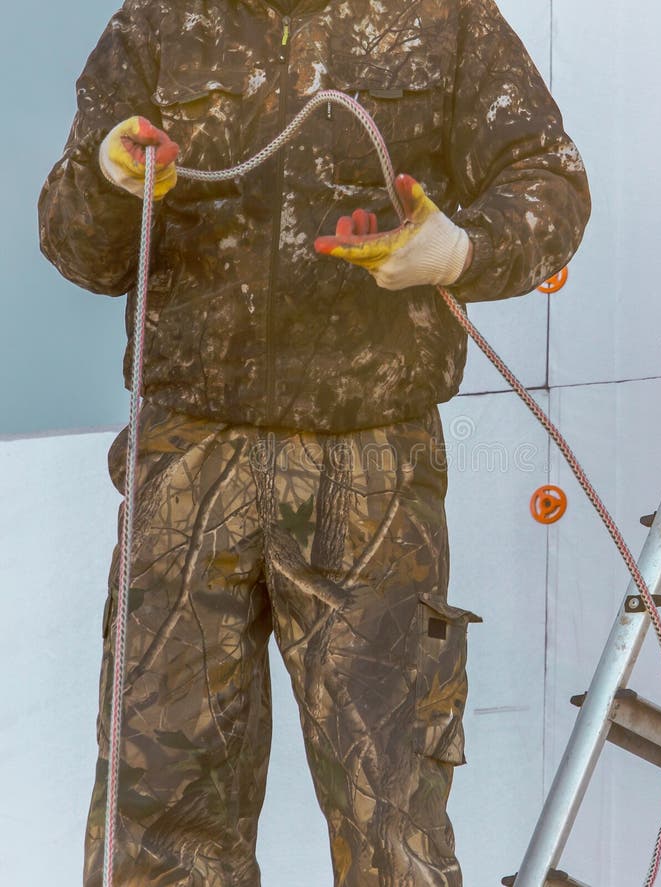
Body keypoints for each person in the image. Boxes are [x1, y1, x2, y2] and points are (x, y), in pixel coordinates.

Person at [39, 0, 590, 884]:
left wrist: (459, 250)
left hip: (370, 464)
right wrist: (105, 179)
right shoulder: (157, 24)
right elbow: (77, 247)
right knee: (159, 822)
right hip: (189, 458)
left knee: (393, 822)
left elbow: (549, 181)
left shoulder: (446, 21)